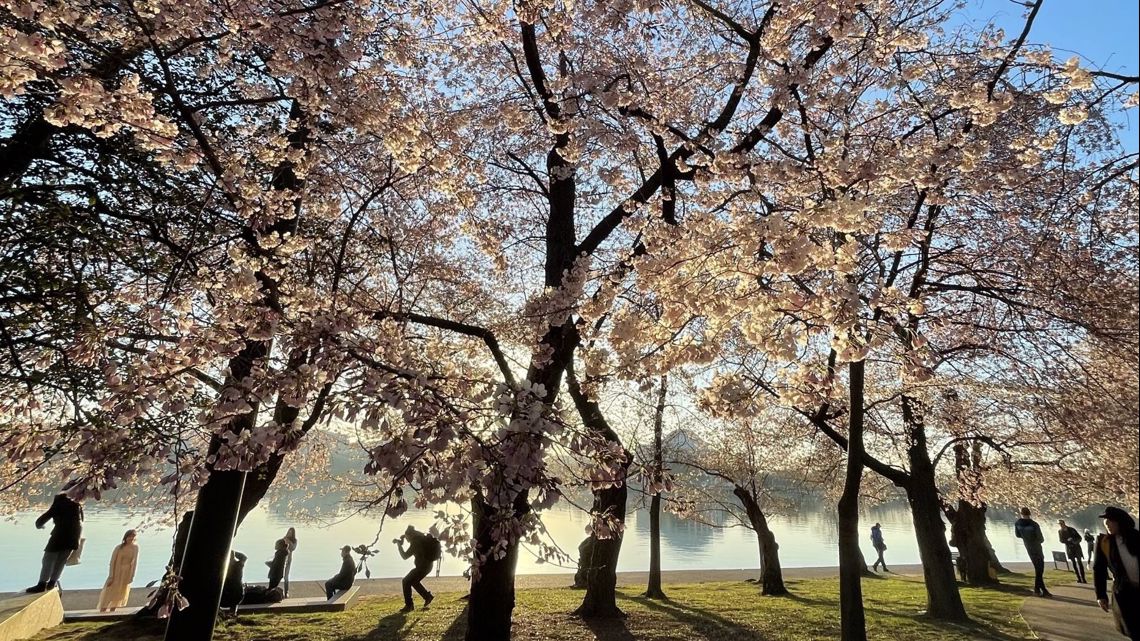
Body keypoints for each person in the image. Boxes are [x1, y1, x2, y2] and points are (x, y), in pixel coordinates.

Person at [1093, 506, 1140, 641]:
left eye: (1110, 520)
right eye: (1105, 521)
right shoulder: (1104, 542)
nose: (1106, 523)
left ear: (1120, 521)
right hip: (1124, 592)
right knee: (1133, 630)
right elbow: (1099, 569)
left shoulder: (1136, 537)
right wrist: (1100, 595)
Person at [26, 493, 84, 593]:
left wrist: (39, 525)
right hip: (73, 537)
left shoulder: (60, 502)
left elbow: (45, 517)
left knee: (48, 559)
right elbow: (81, 521)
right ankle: (52, 582)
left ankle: (42, 584)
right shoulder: (77, 505)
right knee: (61, 560)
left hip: (59, 536)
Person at [396, 525, 439, 612]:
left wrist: (399, 545)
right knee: (414, 582)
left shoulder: (415, 543)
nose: (407, 540)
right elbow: (407, 535)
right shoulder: (420, 537)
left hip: (423, 567)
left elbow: (405, 556)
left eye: (407, 538)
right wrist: (403, 538)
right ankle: (427, 597)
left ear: (411, 535)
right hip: (428, 566)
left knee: (406, 581)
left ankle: (409, 606)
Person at [98, 530, 139, 612]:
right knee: (110, 591)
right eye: (129, 536)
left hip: (127, 572)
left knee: (120, 593)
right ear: (126, 537)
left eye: (133, 536)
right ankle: (103, 610)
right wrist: (111, 575)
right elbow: (112, 562)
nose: (131, 538)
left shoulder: (135, 548)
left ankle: (112, 611)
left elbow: (135, 562)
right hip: (116, 572)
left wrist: (132, 575)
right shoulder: (119, 547)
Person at [1015, 507, 1051, 597]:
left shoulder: (1018, 523)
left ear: (1021, 513)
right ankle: (1037, 589)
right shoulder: (1034, 524)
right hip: (1036, 547)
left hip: (1028, 547)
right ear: (1029, 513)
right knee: (1040, 568)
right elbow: (1041, 538)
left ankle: (1041, 589)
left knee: (1037, 568)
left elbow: (1017, 535)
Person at [281, 527, 297, 596]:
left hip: (288, 560)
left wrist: (289, 541)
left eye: (291, 532)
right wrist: (284, 540)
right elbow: (279, 547)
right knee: (279, 575)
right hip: (282, 559)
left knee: (286, 576)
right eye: (289, 532)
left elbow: (293, 548)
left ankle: (286, 591)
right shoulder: (284, 538)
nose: (289, 533)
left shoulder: (295, 540)